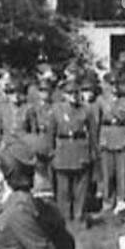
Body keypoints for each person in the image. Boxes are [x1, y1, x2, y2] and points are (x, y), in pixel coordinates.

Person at [43, 68, 96, 221]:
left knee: (81, 188)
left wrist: (93, 152)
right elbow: (50, 134)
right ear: (64, 95)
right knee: (63, 190)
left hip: (80, 150)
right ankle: (65, 217)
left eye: (76, 93)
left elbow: (92, 133)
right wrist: (51, 152)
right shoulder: (56, 110)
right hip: (63, 151)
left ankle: (79, 216)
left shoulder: (86, 110)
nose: (74, 96)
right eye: (70, 93)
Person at [96, 74, 125, 208]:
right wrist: (98, 141)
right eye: (111, 84)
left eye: (116, 84)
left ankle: (122, 201)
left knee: (122, 173)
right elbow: (96, 123)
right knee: (108, 174)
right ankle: (107, 202)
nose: (114, 88)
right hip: (107, 139)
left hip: (122, 138)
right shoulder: (101, 101)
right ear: (106, 85)